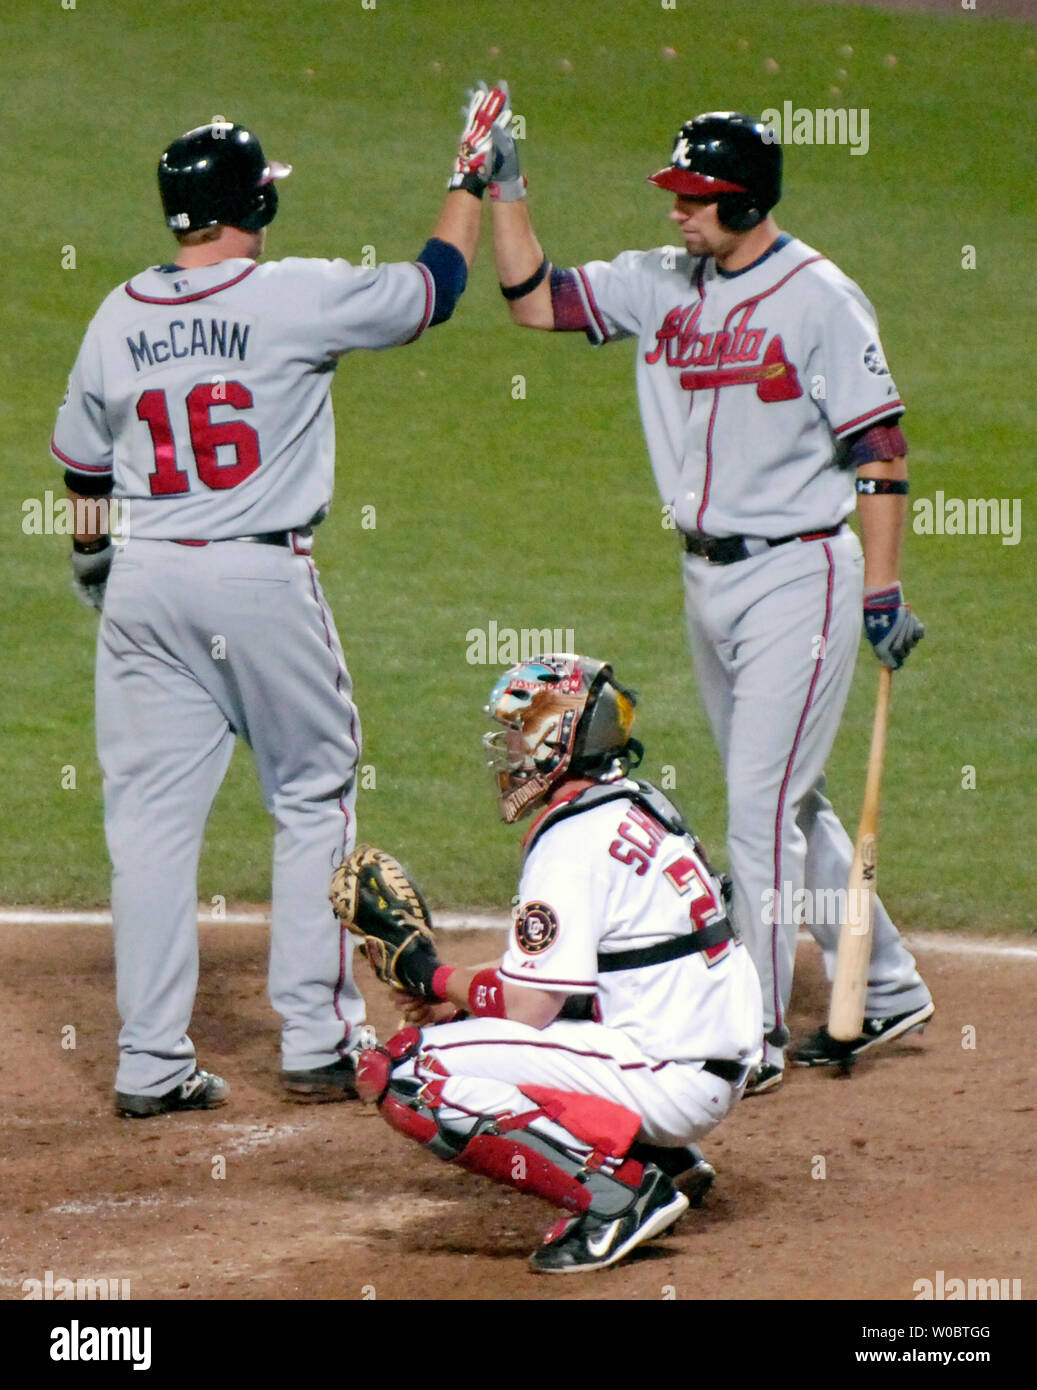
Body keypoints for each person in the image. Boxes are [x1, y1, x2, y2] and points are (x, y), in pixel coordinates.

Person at [51, 89, 510, 1117]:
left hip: (147, 577)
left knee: (151, 828)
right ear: (253, 202)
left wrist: (94, 567)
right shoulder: (292, 293)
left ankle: (149, 1062)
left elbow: (84, 470)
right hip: (255, 577)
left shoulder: (118, 311)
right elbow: (433, 288)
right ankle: (315, 1035)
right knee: (311, 790)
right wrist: (466, 180)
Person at [484, 102, 934, 1093]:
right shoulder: (657, 286)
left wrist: (881, 584)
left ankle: (756, 1033)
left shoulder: (819, 298)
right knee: (784, 797)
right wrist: (503, 188)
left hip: (796, 574)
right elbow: (530, 299)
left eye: (693, 199)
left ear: (740, 202)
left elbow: (878, 448)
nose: (676, 212)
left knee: (755, 811)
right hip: (704, 577)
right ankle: (888, 981)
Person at [352, 653, 762, 1274]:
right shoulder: (634, 805)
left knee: (405, 1071)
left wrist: (428, 973)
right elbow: (585, 974)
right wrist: (455, 998)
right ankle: (664, 1159)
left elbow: (529, 1008)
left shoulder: (570, 842)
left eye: (519, 730)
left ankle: (618, 1196)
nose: (507, 748)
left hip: (667, 1073)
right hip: (701, 1054)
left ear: (560, 738)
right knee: (463, 1026)